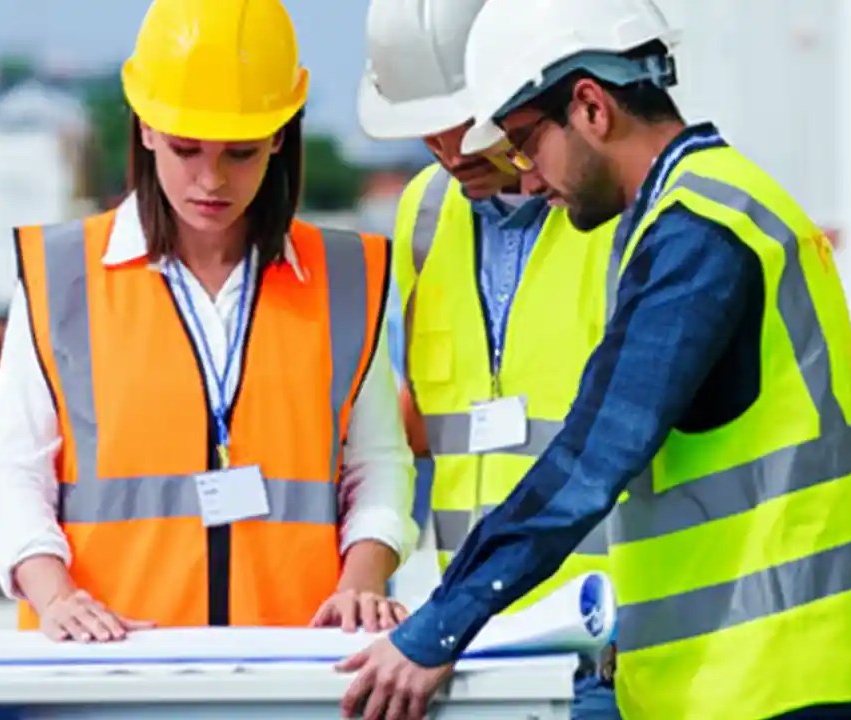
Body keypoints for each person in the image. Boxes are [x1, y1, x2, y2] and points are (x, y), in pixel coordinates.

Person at [338, 0, 851, 718]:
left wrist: (437, 630)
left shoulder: (701, 237)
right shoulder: (698, 213)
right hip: (737, 676)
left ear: (590, 107)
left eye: (526, 142)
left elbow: (594, 454)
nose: (524, 178)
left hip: (774, 678)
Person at [0, 0, 418, 644]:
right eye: (187, 149)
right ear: (146, 128)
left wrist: (363, 579)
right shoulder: (58, 276)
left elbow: (378, 462)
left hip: (299, 666)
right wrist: (56, 597)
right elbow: (15, 471)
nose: (211, 179)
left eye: (240, 152)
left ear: (278, 134)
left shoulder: (349, 278)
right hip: (106, 669)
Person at [356, 0, 621, 716]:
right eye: (428, 133)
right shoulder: (422, 213)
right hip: (469, 649)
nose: (450, 151)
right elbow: (416, 422)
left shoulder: (620, 210)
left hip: (609, 654)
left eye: (468, 123)